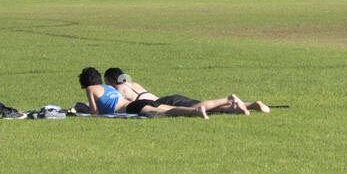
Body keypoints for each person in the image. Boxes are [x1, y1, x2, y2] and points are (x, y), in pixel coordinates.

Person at [75, 67, 240, 118]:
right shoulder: (110, 87)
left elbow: (95, 113)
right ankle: (226, 99)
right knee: (169, 110)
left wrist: (83, 109)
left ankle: (196, 112)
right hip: (143, 102)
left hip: (134, 107)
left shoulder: (91, 89)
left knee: (167, 113)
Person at [105, 67, 269, 115]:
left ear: (112, 81)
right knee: (209, 108)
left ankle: (231, 101)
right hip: (169, 97)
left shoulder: (120, 89)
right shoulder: (135, 84)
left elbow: (123, 102)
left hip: (165, 101)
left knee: (199, 107)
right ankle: (248, 106)